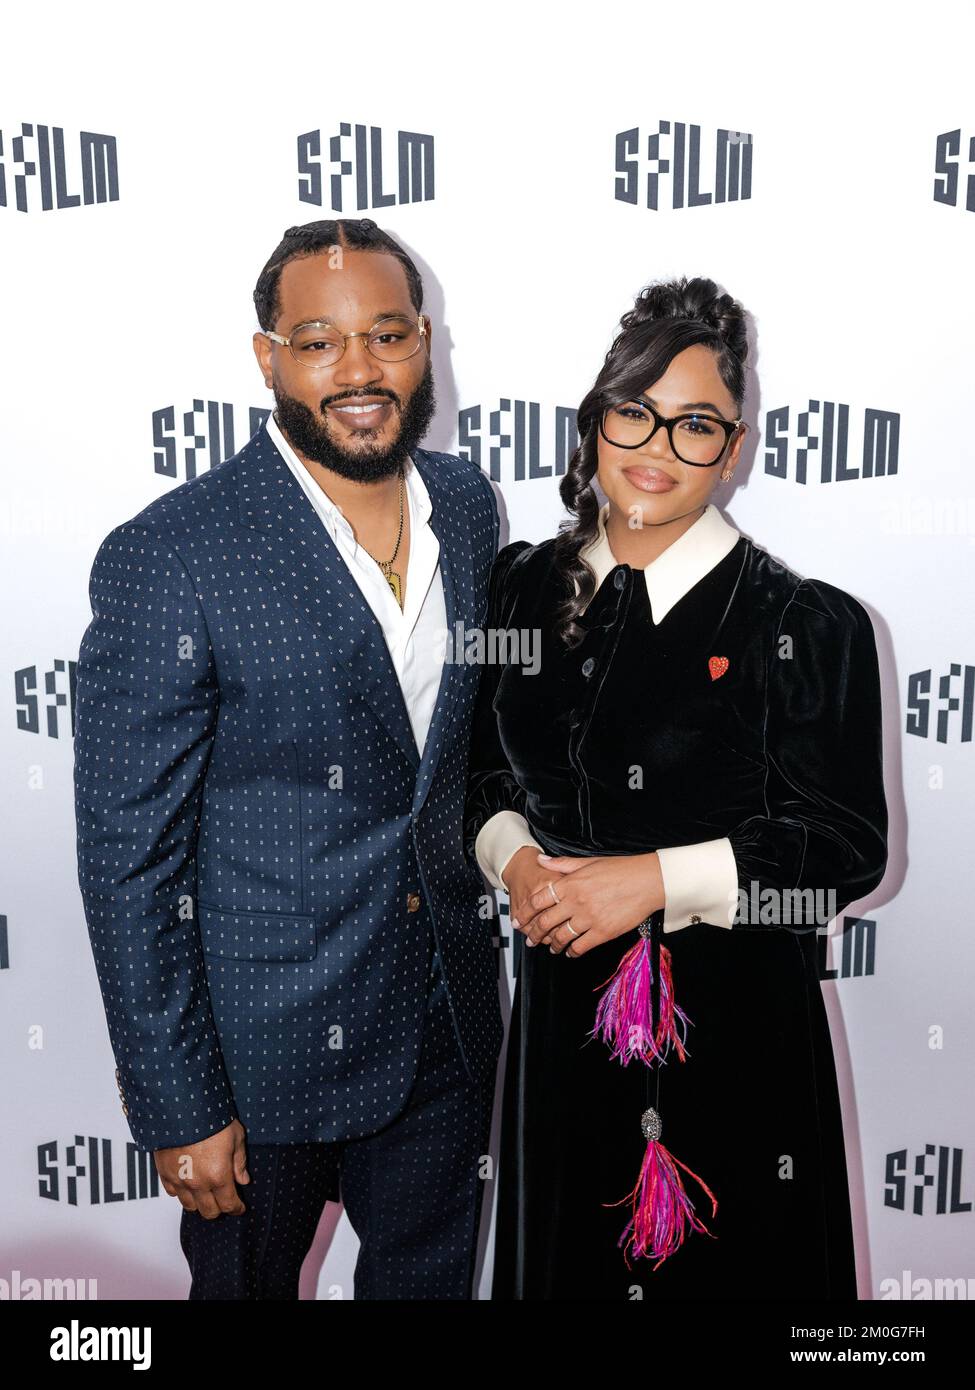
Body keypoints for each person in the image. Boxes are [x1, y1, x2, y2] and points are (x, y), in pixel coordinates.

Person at [74, 217, 503, 1300]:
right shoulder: (171, 554)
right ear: (268, 357)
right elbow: (130, 861)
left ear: (426, 344)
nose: (360, 371)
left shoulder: (467, 503)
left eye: (389, 335)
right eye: (320, 342)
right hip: (259, 1066)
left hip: (446, 1031)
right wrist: (180, 1104)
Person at [463, 275, 888, 1300]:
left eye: (695, 424)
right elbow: (476, 773)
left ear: (734, 448)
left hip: (740, 1046)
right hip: (565, 1039)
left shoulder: (804, 622)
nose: (657, 448)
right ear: (596, 419)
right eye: (634, 413)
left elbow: (841, 855)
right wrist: (514, 858)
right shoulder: (518, 587)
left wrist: (653, 881)